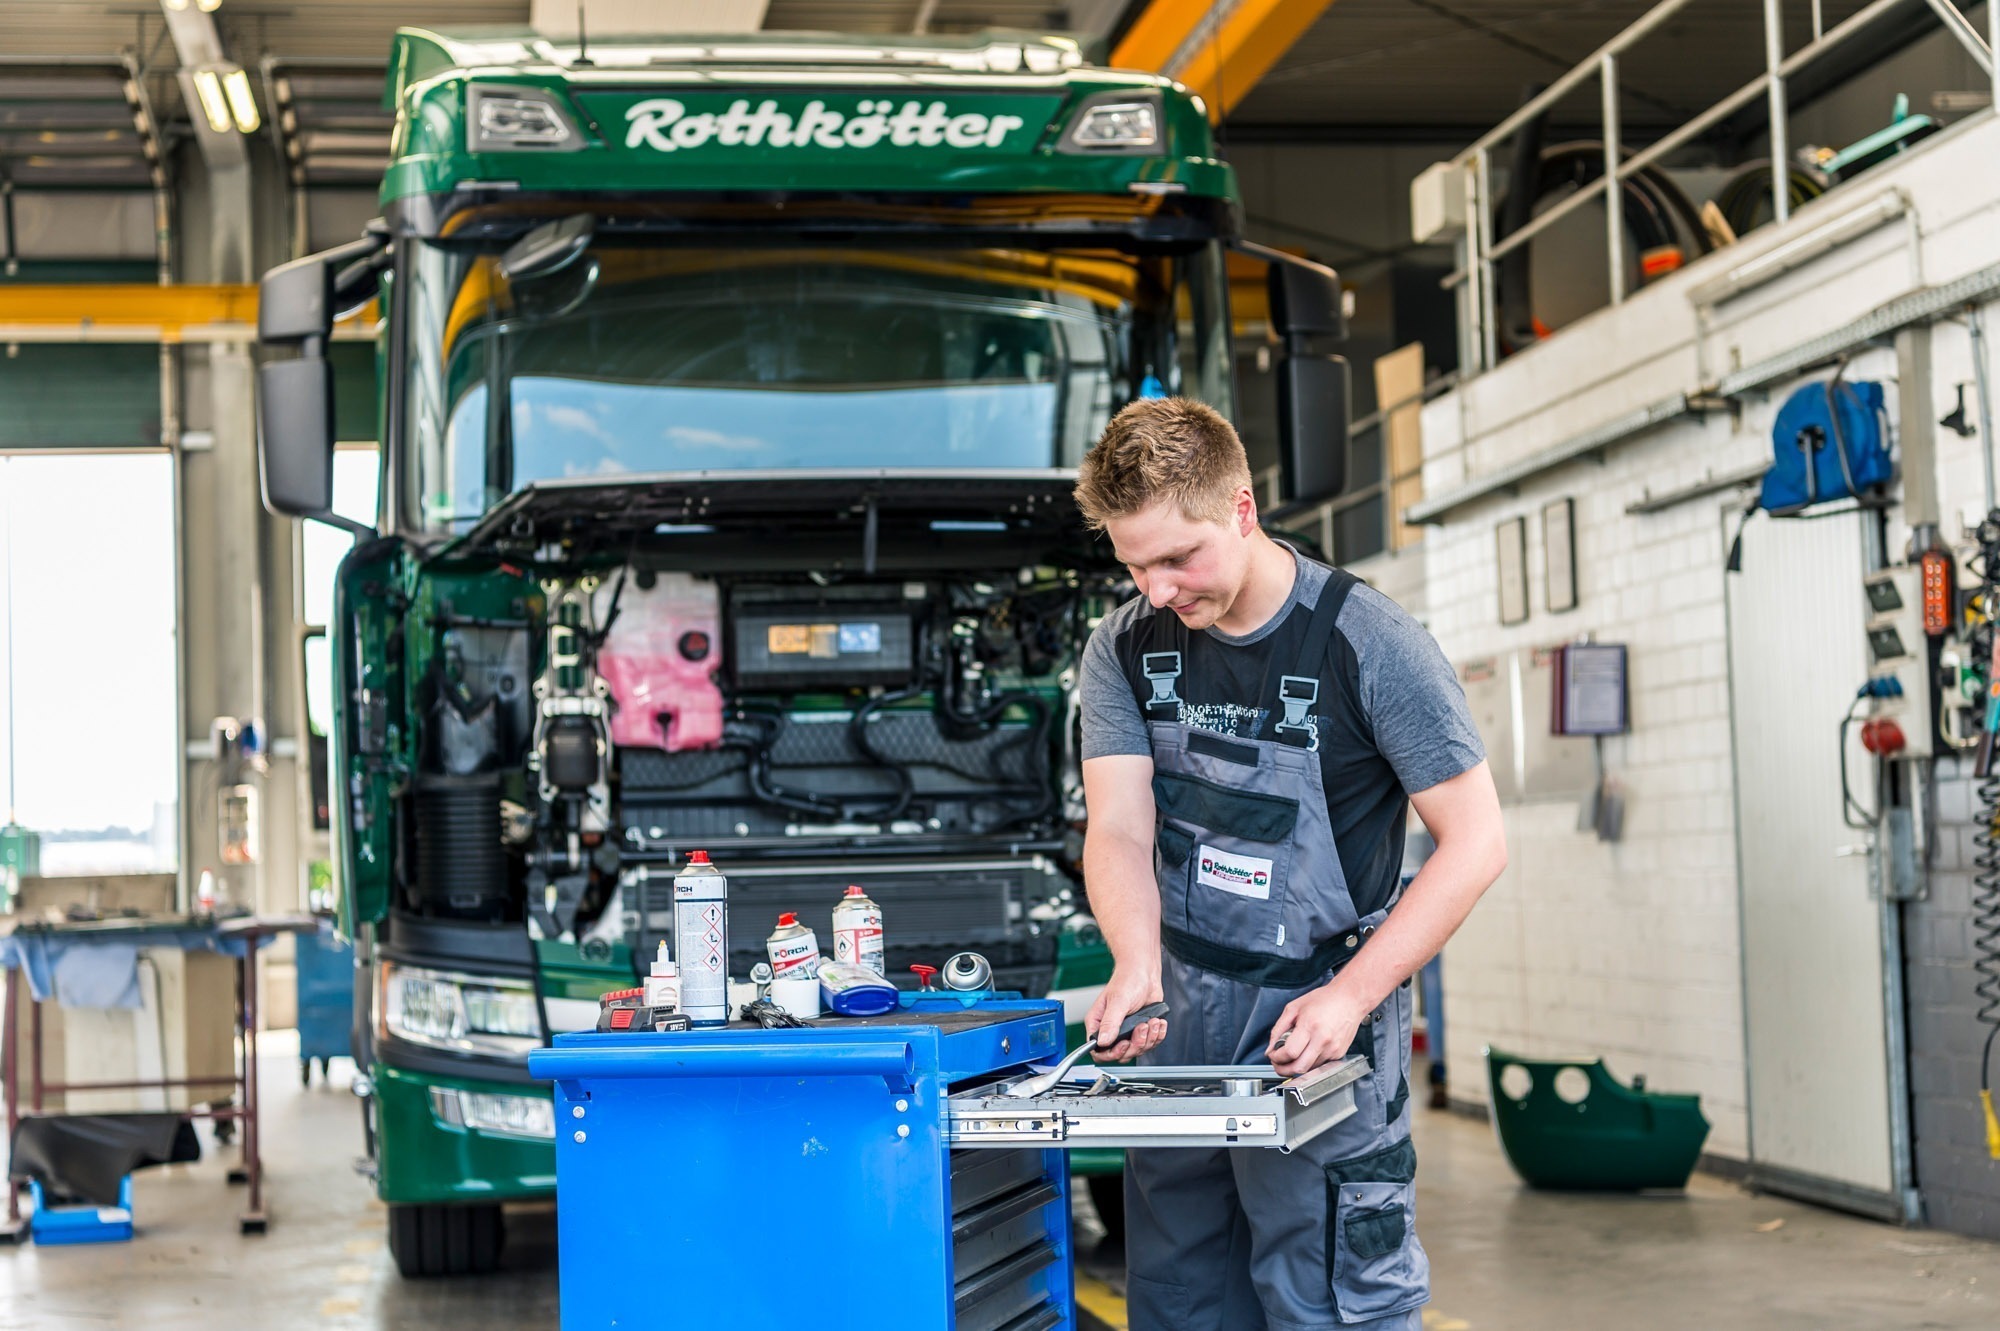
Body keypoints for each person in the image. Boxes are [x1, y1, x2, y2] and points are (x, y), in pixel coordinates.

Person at [1073, 397, 1506, 1331]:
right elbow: (1117, 824)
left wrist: (1351, 996)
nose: (1157, 589)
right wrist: (1136, 963)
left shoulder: (1370, 644)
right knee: (1183, 1298)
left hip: (1319, 1020)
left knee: (1327, 1300)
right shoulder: (1123, 647)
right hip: (1179, 1019)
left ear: (1241, 507)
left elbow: (1477, 843)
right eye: (1133, 563)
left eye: (1177, 557)